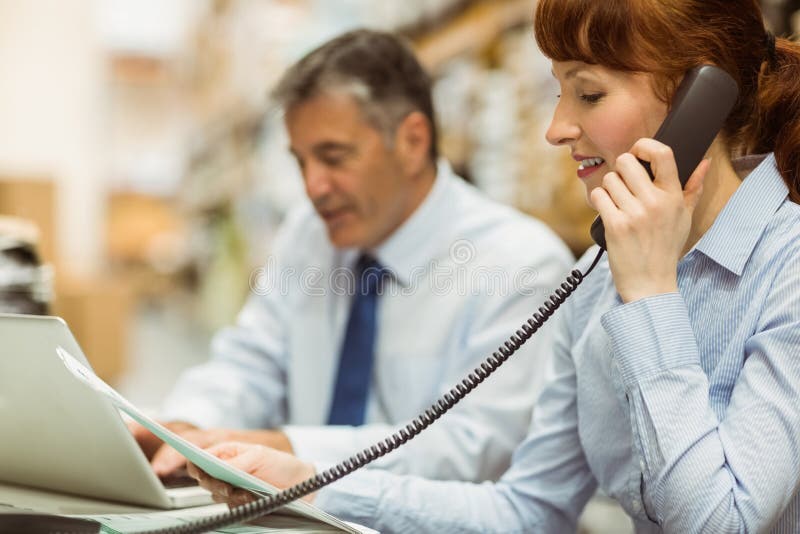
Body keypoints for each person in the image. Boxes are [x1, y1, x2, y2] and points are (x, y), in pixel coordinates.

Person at [186, 1, 800, 532]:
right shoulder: (595, 280)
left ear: (702, 98)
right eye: (558, 92)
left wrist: (649, 296)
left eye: (588, 93)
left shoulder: (785, 267)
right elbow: (529, 513)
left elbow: (723, 521)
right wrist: (316, 486)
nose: (556, 129)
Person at [131, 28, 574, 485]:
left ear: (413, 141)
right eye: (301, 162)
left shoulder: (520, 265)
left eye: (334, 157)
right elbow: (252, 361)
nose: (313, 187)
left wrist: (291, 450)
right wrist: (188, 424)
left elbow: (474, 447)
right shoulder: (309, 234)